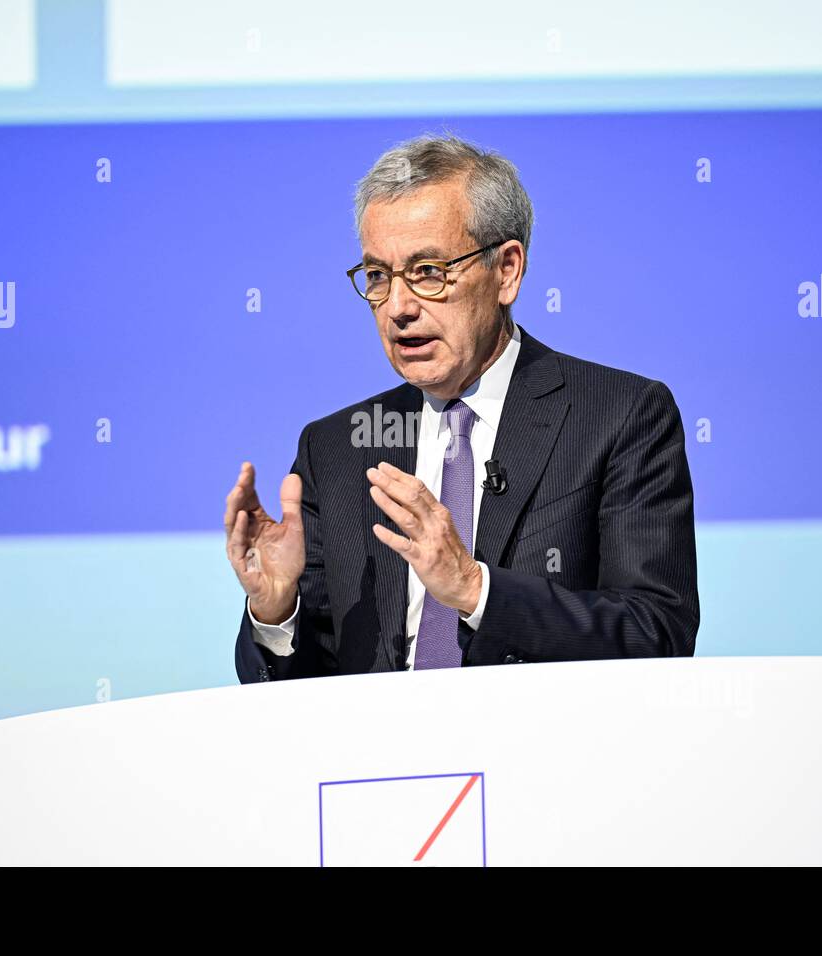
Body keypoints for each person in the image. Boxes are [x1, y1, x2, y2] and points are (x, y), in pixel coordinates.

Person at [225, 132, 698, 682]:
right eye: (378, 276)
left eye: (428, 272)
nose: (398, 307)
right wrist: (278, 612)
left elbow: (657, 633)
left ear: (507, 271)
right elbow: (301, 689)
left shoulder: (620, 416)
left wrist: (476, 590)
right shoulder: (335, 447)